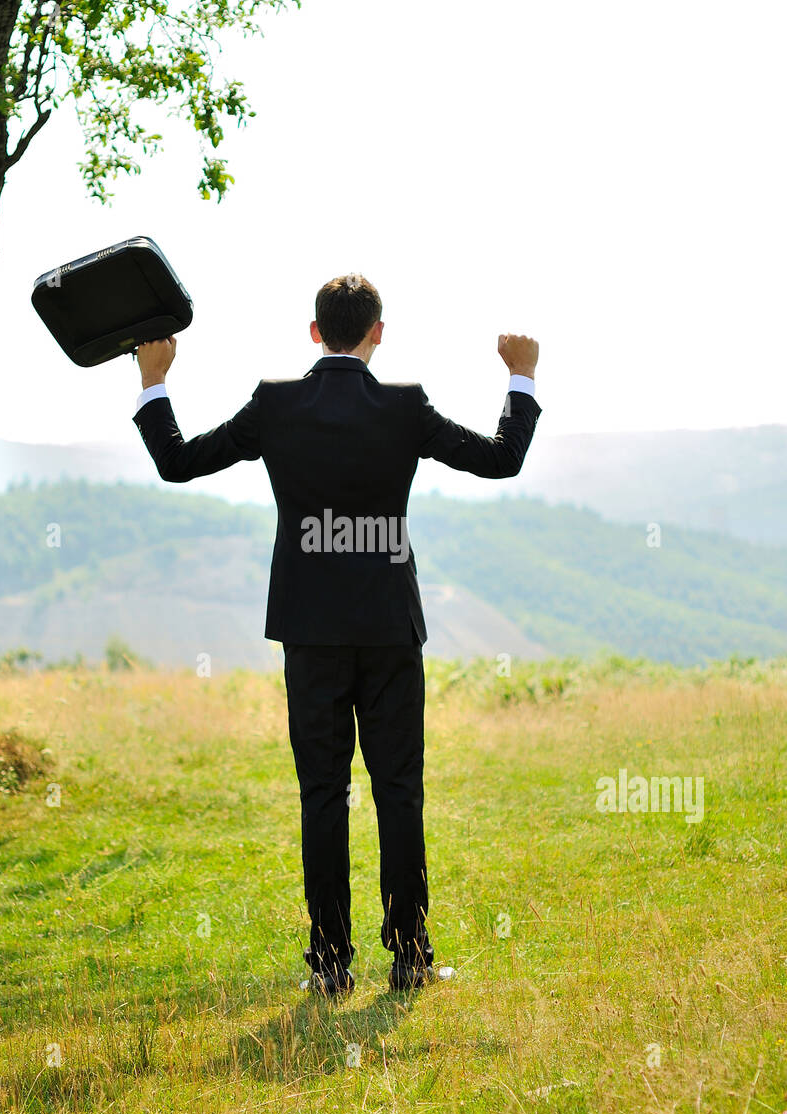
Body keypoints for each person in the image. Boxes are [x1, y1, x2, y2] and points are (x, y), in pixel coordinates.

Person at [133, 273, 541, 995]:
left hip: (310, 634)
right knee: (398, 792)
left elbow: (177, 462)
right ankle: (410, 958)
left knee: (322, 796)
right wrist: (520, 376)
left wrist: (154, 378)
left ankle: (328, 965)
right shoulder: (404, 407)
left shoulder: (276, 405)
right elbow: (500, 457)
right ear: (377, 332)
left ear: (314, 332)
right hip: (388, 631)